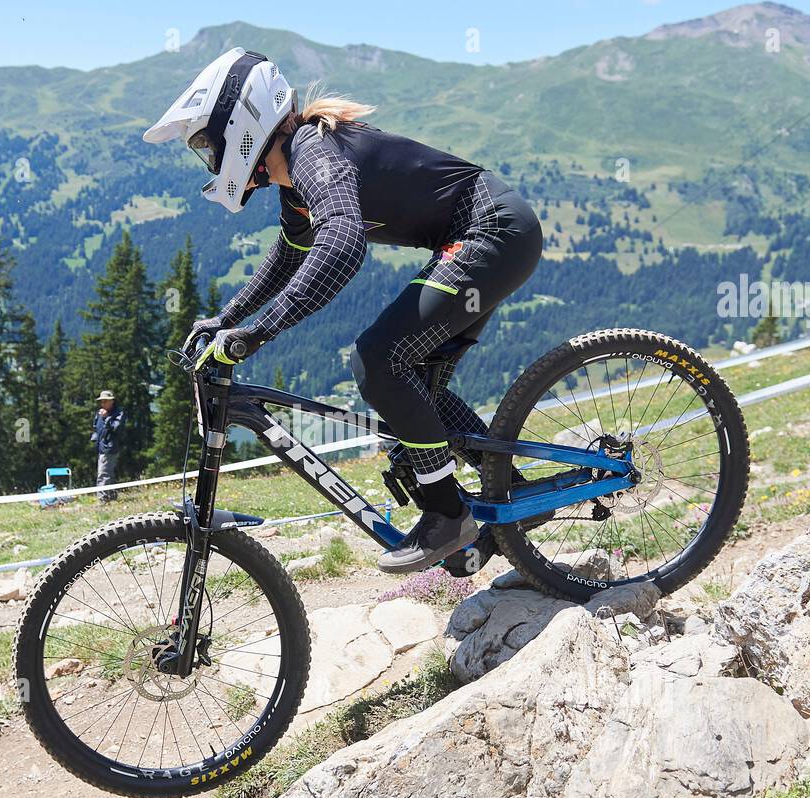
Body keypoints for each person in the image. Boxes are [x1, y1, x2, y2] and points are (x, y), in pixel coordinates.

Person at [143, 48, 543, 573]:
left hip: (492, 230)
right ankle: (510, 492)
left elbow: (342, 244)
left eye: (208, 143)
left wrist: (258, 331)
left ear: (240, 125)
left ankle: (447, 514)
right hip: (477, 235)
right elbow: (292, 254)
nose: (211, 158)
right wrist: (227, 318)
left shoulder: (313, 151)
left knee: (378, 359)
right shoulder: (295, 173)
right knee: (416, 385)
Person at [91, 390, 124, 502]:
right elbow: (96, 426)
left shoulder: (118, 413)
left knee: (103, 474)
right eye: (101, 401)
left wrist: (106, 418)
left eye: (105, 401)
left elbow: (116, 428)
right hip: (101, 446)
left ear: (112, 401)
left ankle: (102, 499)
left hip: (110, 448)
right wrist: (95, 437)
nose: (102, 404)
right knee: (108, 473)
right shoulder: (100, 413)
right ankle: (112, 496)